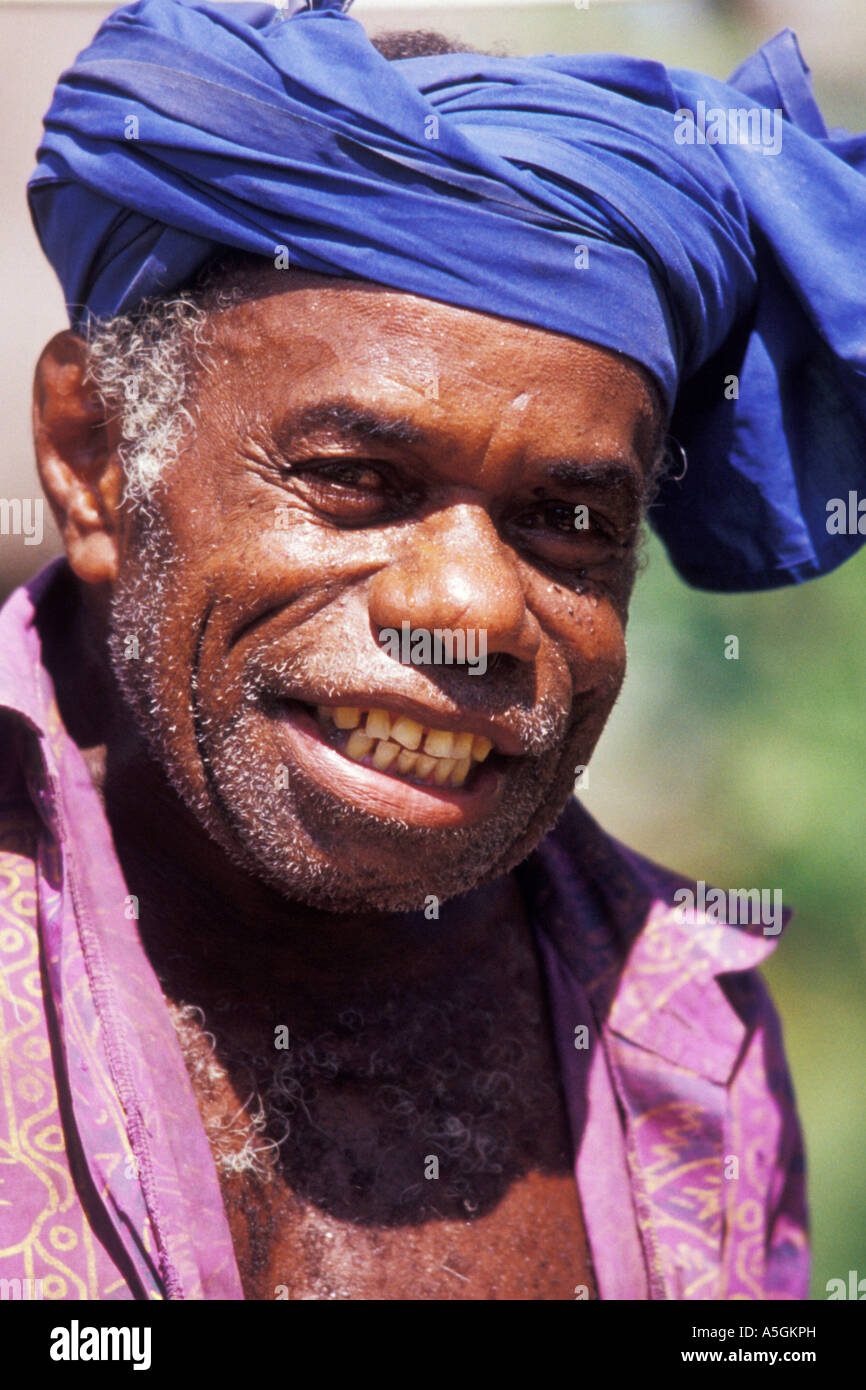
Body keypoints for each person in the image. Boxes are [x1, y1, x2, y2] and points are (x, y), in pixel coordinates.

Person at [2, 0, 864, 1301]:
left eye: (567, 521)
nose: (469, 611)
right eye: (354, 478)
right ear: (93, 458)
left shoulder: (688, 1042)